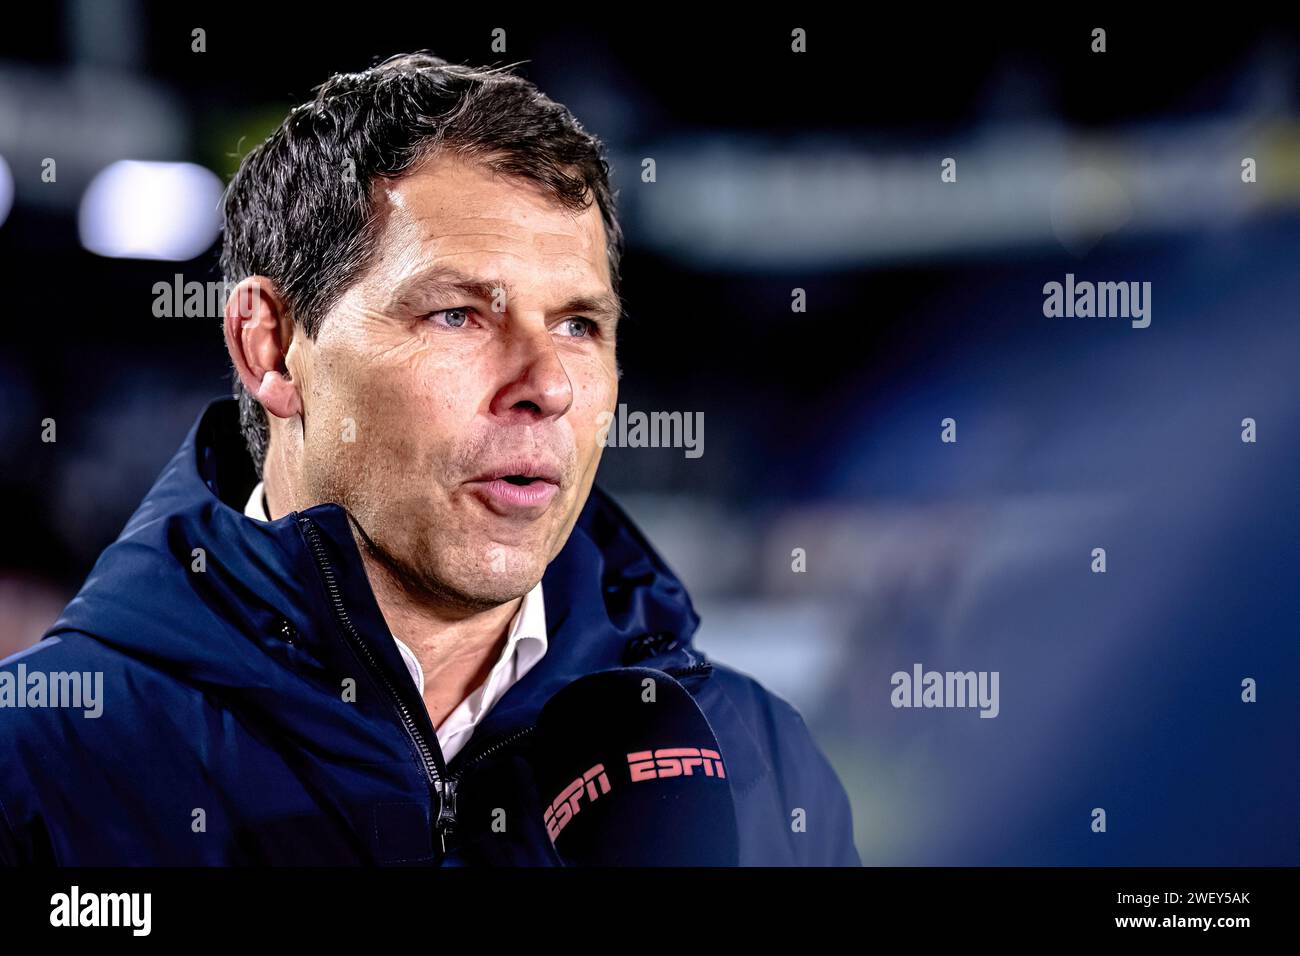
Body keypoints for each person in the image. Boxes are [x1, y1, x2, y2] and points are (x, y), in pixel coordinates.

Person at [0, 53, 860, 866]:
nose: (547, 385)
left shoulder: (755, 758)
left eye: (577, 325)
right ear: (270, 346)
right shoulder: (37, 763)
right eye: (458, 315)